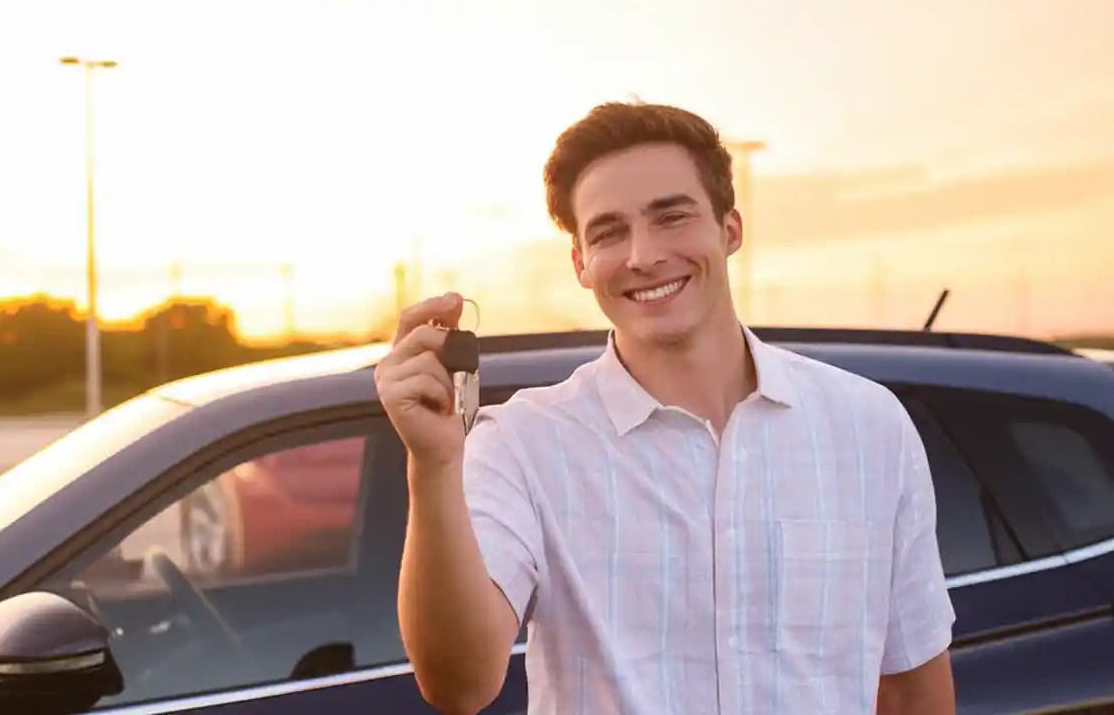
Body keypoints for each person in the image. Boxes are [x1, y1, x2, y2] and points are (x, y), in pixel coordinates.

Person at [374, 101, 957, 714]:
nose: (642, 255)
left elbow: (912, 687)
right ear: (580, 262)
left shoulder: (869, 427)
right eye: (607, 232)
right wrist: (432, 465)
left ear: (729, 229)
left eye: (671, 217)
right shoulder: (521, 443)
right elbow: (459, 686)